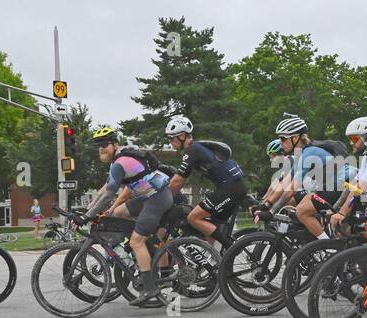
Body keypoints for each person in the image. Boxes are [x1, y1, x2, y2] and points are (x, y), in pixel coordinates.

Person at [83, 127, 175, 305]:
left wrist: (88, 216)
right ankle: (141, 251)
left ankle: (150, 288)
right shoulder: (117, 160)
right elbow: (106, 187)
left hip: (156, 199)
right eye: (98, 146)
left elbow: (109, 194)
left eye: (104, 145)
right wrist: (89, 208)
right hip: (146, 197)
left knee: (136, 241)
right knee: (117, 213)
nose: (101, 149)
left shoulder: (120, 162)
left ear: (114, 145)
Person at [164, 115, 248, 249]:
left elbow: (178, 180)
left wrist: (164, 198)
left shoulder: (192, 149)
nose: (170, 142)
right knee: (209, 226)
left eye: (171, 138)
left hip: (229, 190)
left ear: (182, 136)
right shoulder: (197, 148)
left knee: (193, 218)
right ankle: (216, 263)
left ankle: (231, 248)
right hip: (233, 188)